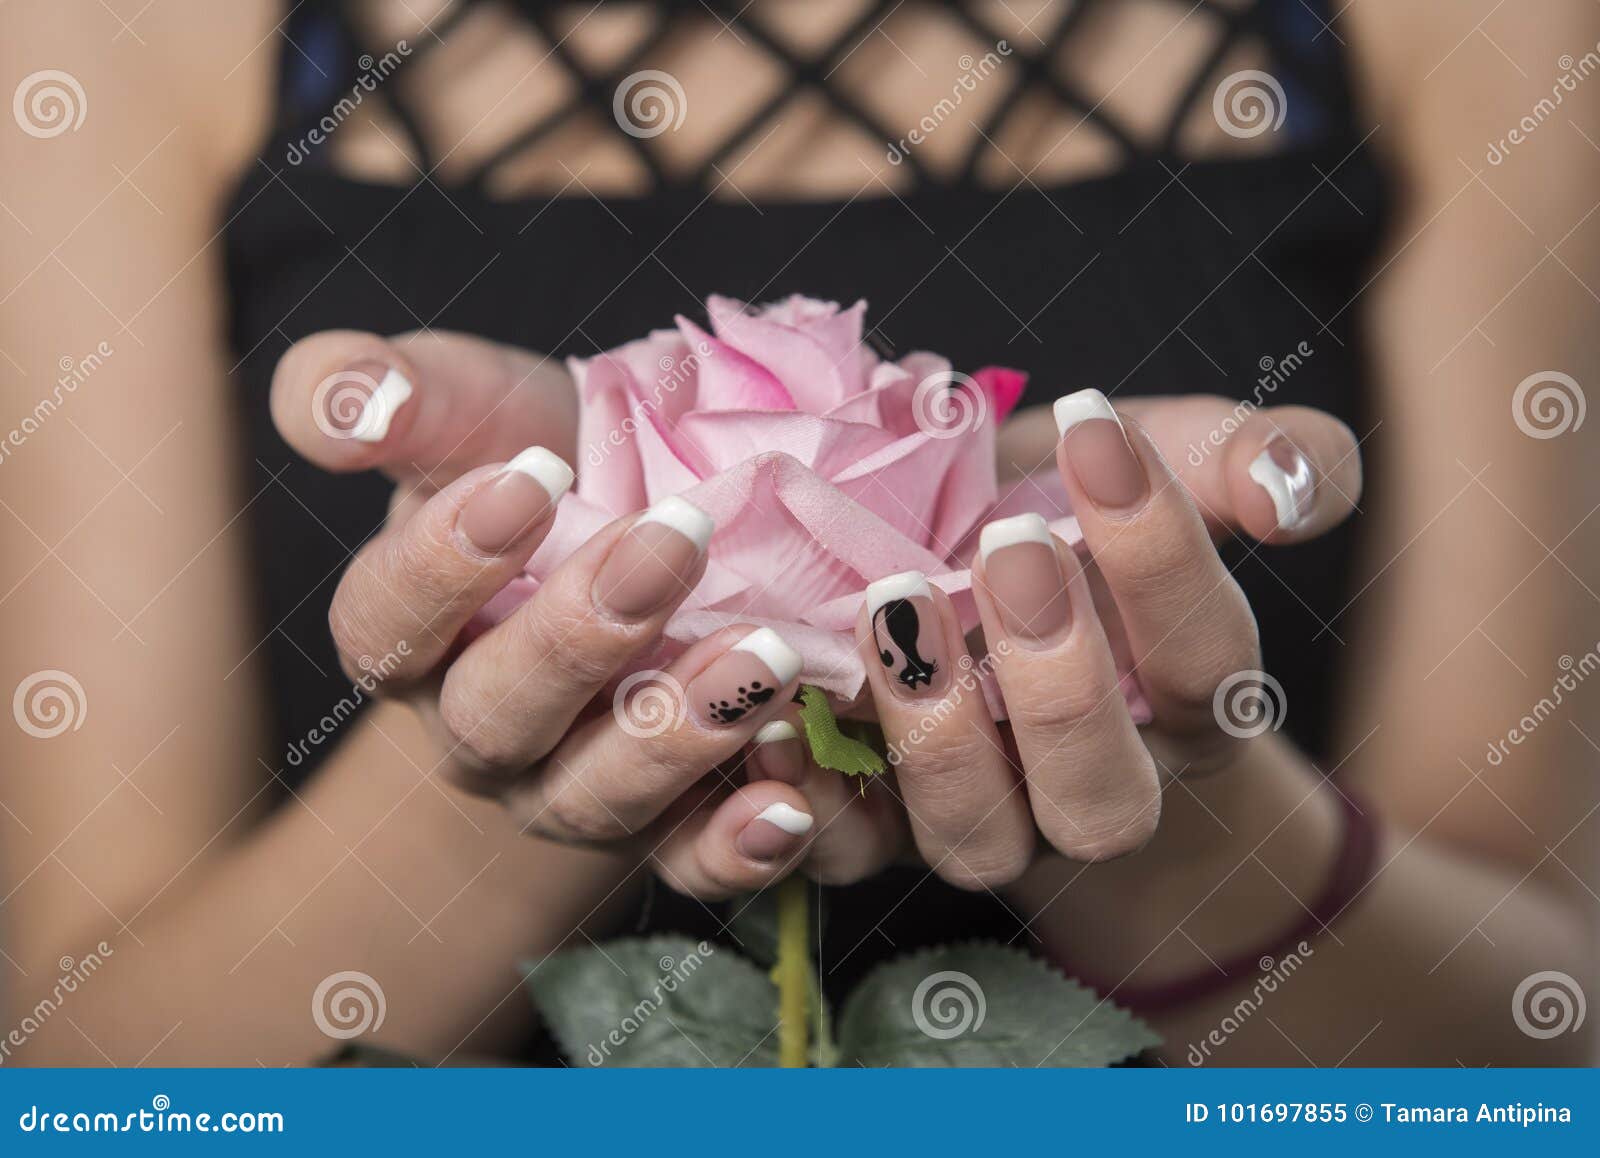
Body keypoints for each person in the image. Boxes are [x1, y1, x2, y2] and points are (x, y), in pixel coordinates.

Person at [1, 0, 1594, 1066]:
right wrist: (503, 755)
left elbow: (1549, 1030)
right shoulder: (119, 35)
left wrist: (1181, 823)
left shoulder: (1479, 27)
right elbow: (79, 1072)